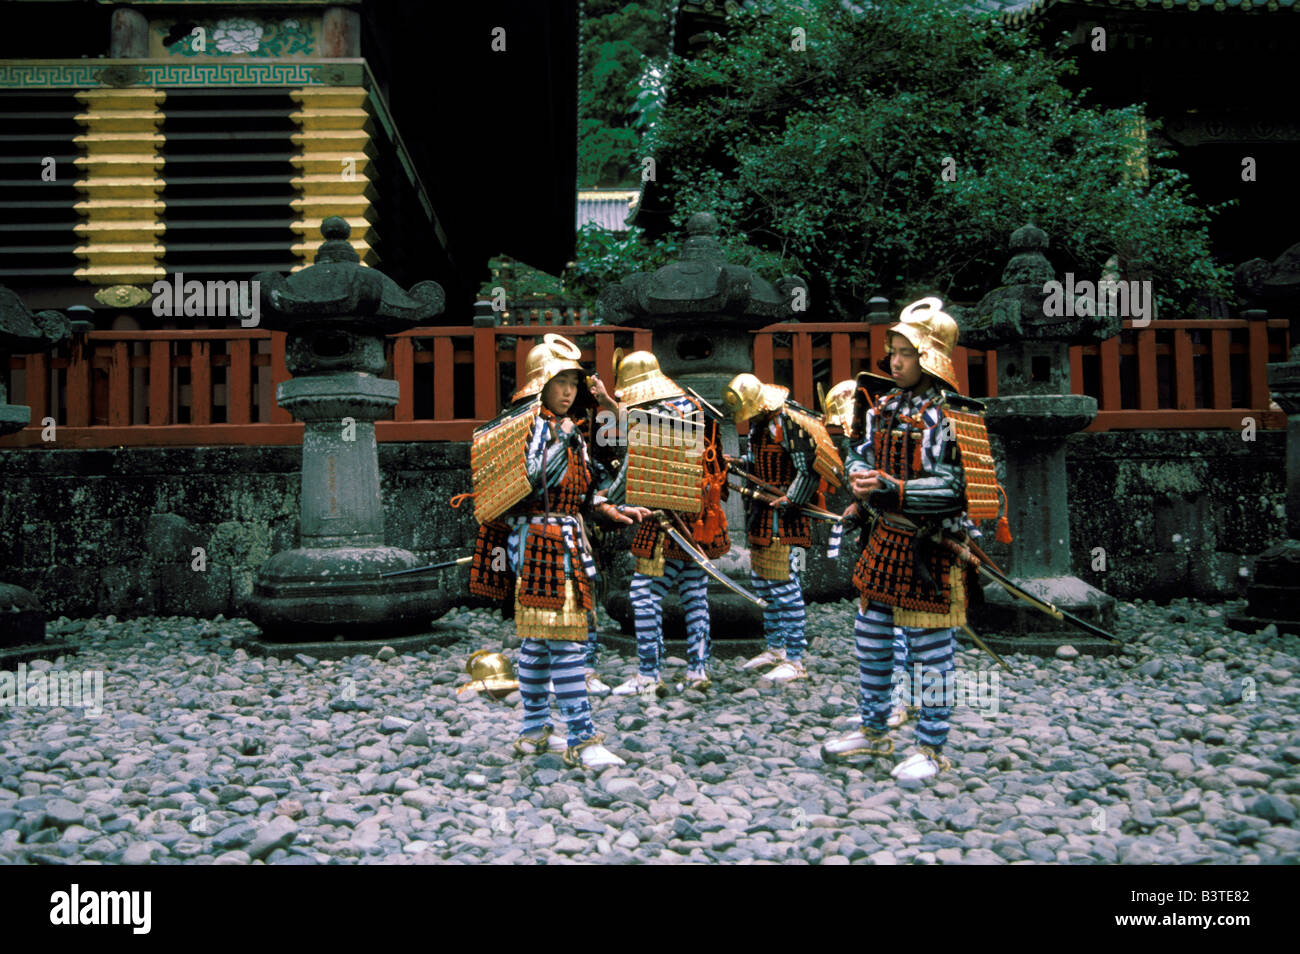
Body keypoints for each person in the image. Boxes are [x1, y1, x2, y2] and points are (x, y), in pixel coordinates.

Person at [466, 334, 648, 768]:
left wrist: (610, 506)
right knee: (566, 643)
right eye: (561, 381)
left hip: (563, 536)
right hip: (539, 541)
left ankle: (532, 733)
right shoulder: (533, 426)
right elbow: (533, 478)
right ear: (541, 383)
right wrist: (563, 438)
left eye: (573, 382)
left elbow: (582, 493)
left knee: (538, 647)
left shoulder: (570, 433)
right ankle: (582, 739)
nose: (569, 391)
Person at [821, 298, 974, 781]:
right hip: (884, 541)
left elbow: (957, 487)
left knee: (931, 652)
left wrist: (896, 488)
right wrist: (861, 476)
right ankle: (874, 729)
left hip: (929, 546)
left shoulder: (952, 416)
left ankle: (931, 748)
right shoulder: (885, 405)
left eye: (906, 352)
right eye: (893, 351)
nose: (895, 361)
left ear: (930, 356)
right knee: (871, 640)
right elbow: (859, 455)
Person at [597, 350, 730, 696]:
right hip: (700, 515)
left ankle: (648, 673)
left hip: (666, 518)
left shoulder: (652, 414)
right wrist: (611, 405)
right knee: (694, 594)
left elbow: (632, 469)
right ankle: (699, 670)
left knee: (643, 595)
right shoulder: (689, 405)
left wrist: (604, 500)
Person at [721, 373, 843, 683]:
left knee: (786, 587)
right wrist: (734, 462)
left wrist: (791, 498)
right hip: (762, 512)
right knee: (763, 582)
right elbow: (756, 461)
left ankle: (795, 657)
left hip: (786, 517)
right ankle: (775, 648)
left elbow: (807, 469)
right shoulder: (761, 425)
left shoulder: (791, 423)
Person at [823, 378, 915, 729]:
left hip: (907, 543)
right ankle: (883, 707)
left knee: (899, 629)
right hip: (879, 541)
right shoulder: (869, 442)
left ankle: (901, 703)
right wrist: (859, 508)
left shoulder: (908, 435)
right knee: (878, 627)